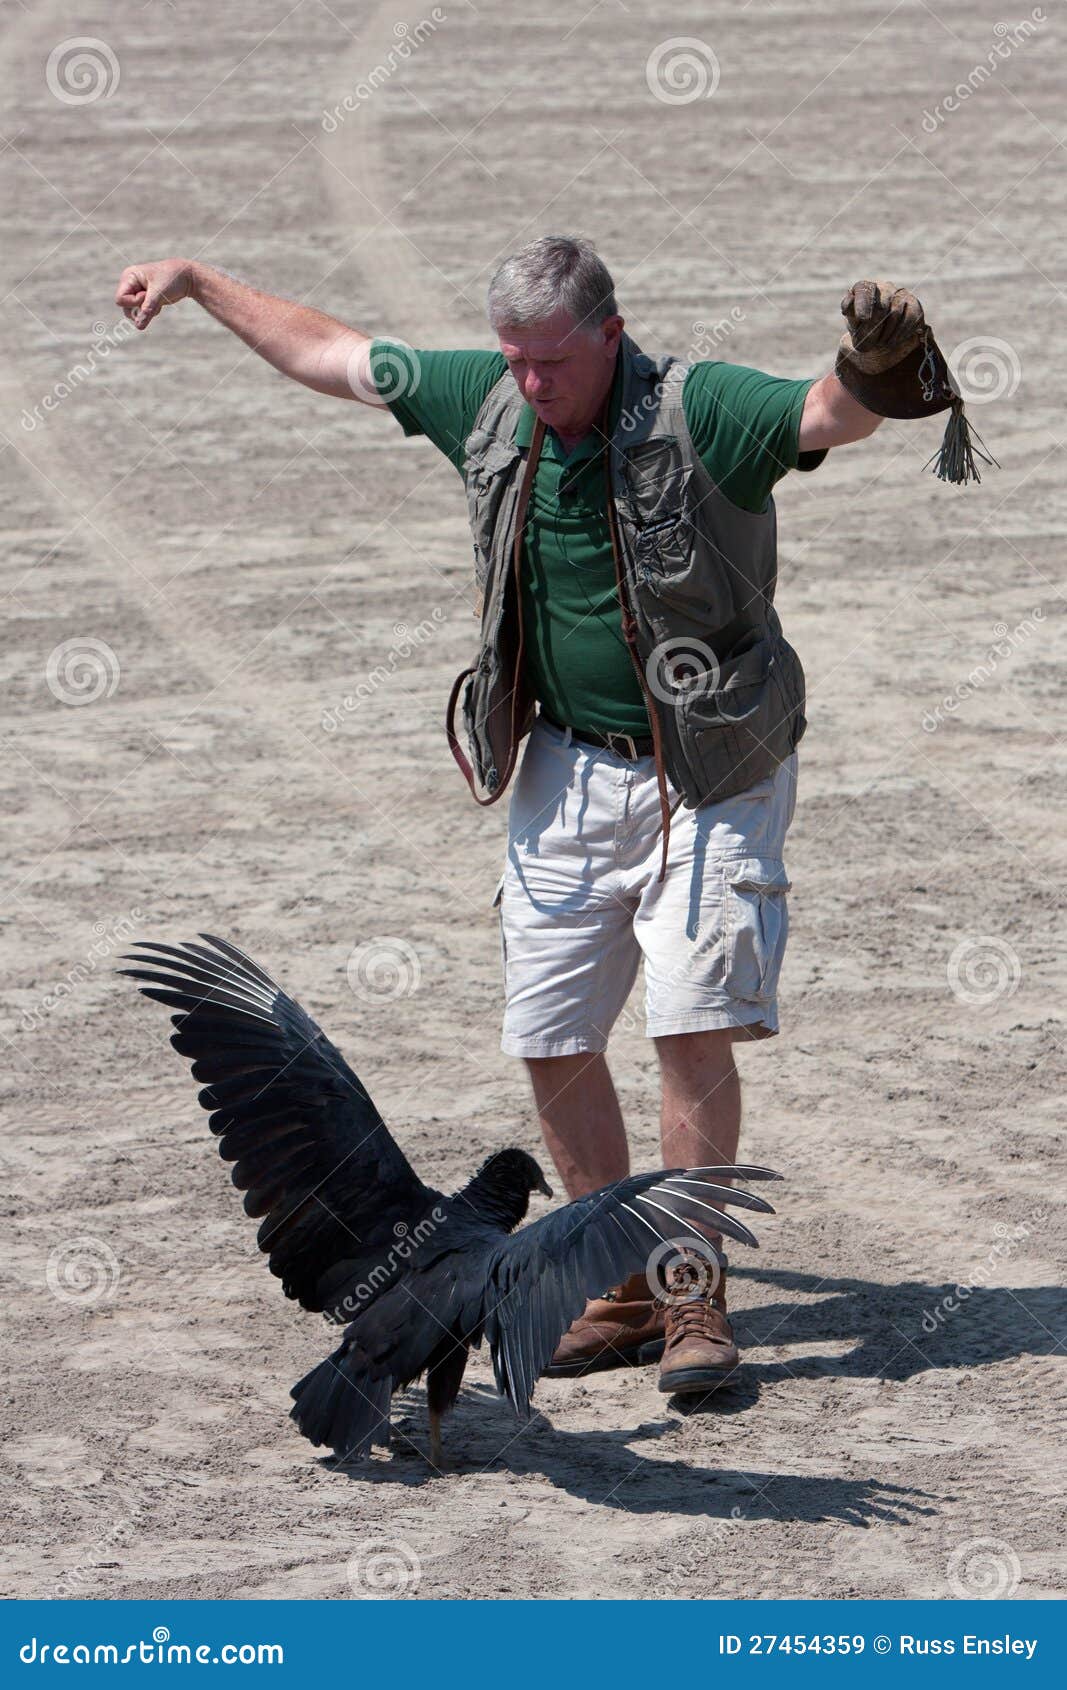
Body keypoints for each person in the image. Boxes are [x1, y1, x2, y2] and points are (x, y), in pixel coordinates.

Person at [115, 236, 938, 1395]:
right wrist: (201, 285)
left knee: (686, 1022)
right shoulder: (490, 402)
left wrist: (867, 365)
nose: (533, 384)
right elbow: (333, 355)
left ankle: (692, 1294)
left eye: (553, 360)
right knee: (549, 1033)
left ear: (607, 333)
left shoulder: (699, 407)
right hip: (560, 767)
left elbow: (821, 416)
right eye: (515, 359)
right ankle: (622, 1283)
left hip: (710, 772)